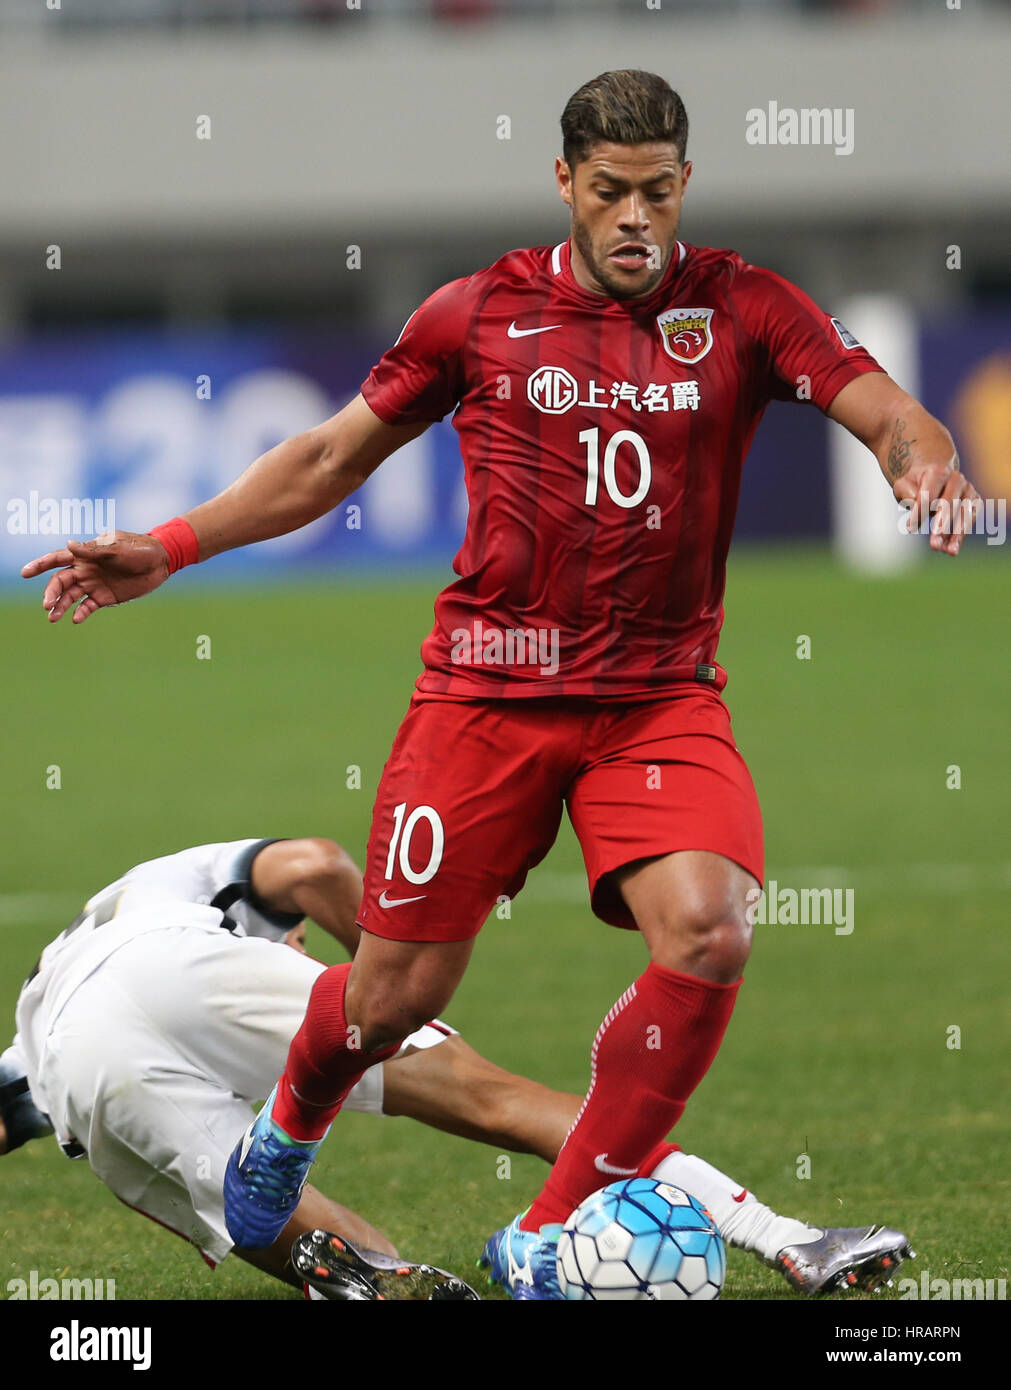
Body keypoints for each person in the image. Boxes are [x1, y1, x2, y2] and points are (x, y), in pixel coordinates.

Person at [21, 70, 972, 1300]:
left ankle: (551, 1229)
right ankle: (289, 1124)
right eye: (614, 191)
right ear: (567, 183)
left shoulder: (743, 305)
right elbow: (325, 457)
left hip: (657, 699)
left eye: (661, 193)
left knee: (714, 928)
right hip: (484, 696)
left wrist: (924, 460)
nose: (639, 219)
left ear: (687, 185)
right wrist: (171, 544)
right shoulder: (479, 313)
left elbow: (887, 408)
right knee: (390, 995)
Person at [2, 834, 911, 1299]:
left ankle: (375, 1275)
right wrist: (401, 983)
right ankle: (782, 1234)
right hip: (185, 963)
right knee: (499, 1098)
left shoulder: (38, 1032)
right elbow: (315, 864)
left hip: (85, 1069)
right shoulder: (178, 884)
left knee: (301, 1233)